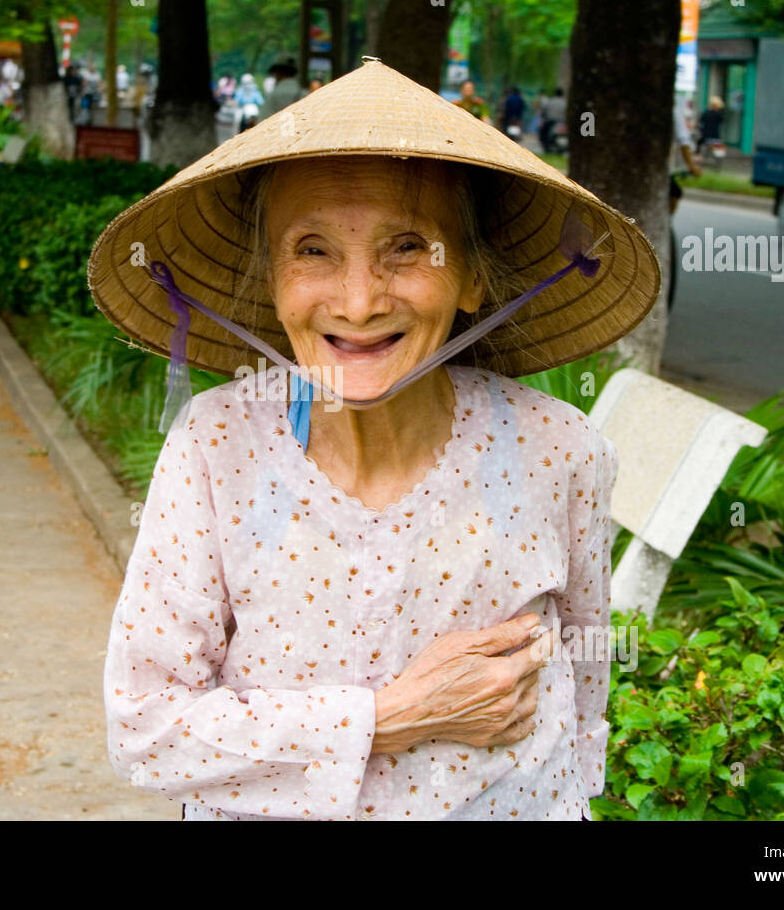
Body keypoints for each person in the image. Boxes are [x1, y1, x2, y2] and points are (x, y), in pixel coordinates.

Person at [92, 57, 663, 821]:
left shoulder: (559, 448)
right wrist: (393, 717)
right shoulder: (217, 444)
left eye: (408, 248)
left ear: (470, 280)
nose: (359, 302)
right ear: (271, 279)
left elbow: (585, 688)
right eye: (312, 249)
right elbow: (146, 729)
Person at [668, 98, 703, 216]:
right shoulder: (675, 110)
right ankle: (667, 222)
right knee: (675, 192)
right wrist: (692, 166)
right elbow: (683, 140)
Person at [539, 86, 566, 152]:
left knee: (543, 133)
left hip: (551, 122)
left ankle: (546, 146)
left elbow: (544, 112)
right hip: (562, 122)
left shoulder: (550, 101)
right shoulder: (565, 102)